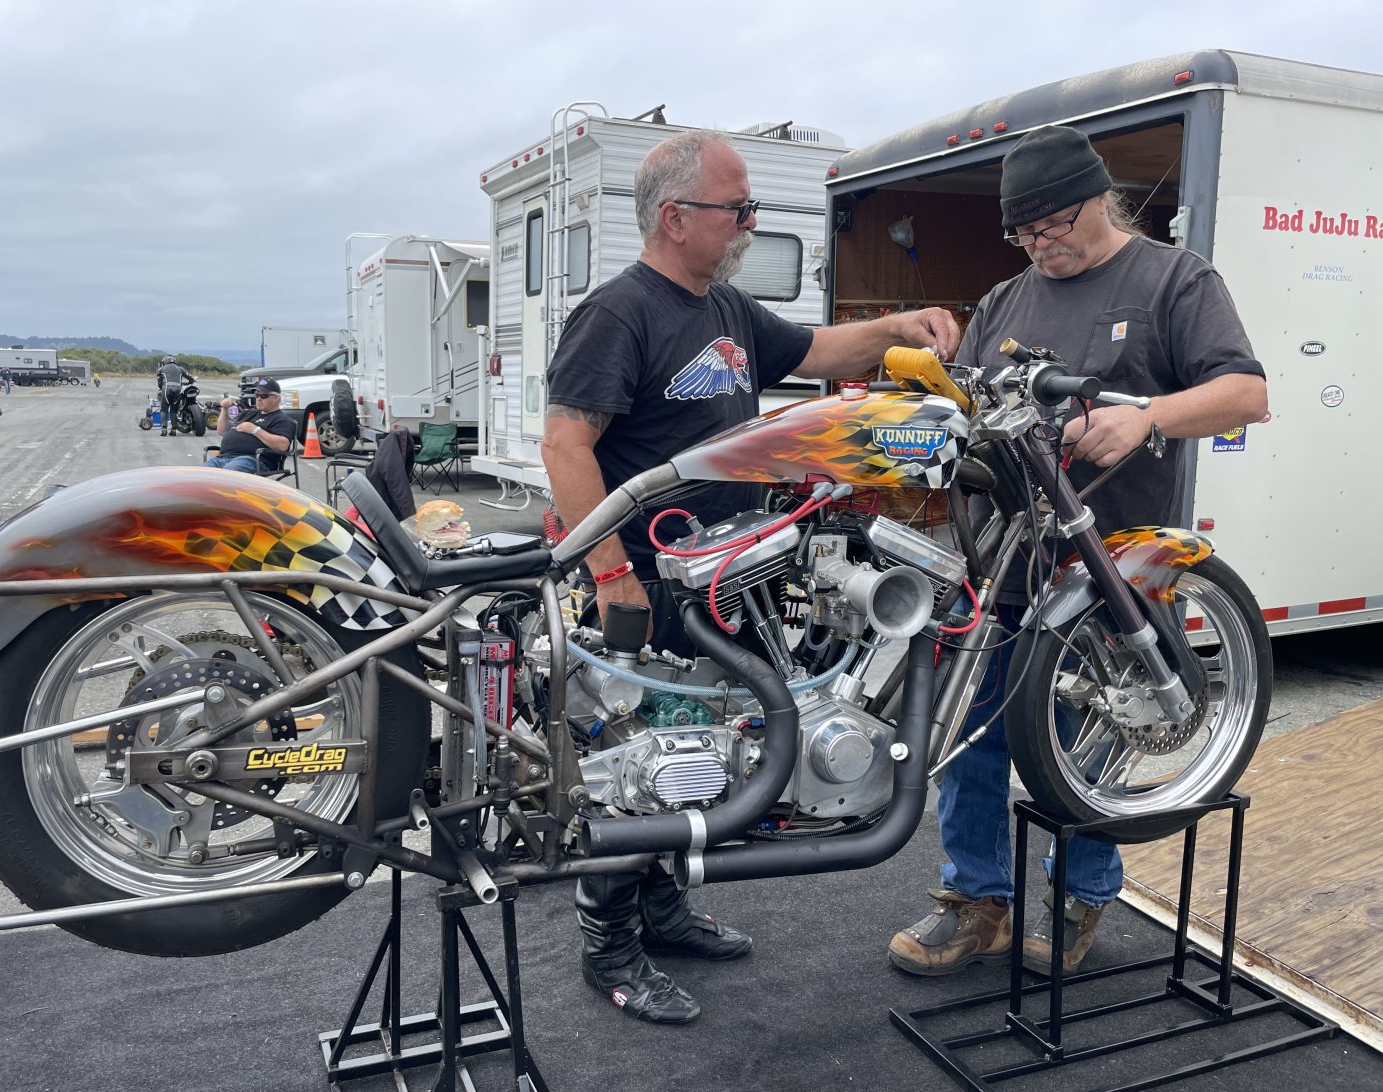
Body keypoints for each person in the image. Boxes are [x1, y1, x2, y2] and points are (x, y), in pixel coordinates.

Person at [540, 129, 959, 1024]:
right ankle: (609, 948)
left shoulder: (724, 308)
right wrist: (612, 572)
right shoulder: (619, 313)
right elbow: (565, 442)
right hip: (653, 581)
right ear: (675, 216)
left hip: (729, 577)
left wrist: (896, 329)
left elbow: (815, 350)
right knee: (636, 764)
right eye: (738, 208)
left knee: (700, 753)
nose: (750, 222)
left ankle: (665, 911)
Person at [887, 125, 1268, 979]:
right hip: (1001, 564)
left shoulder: (1175, 278)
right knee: (971, 738)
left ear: (1100, 197)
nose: (1040, 244)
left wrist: (1147, 417)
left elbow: (1246, 393)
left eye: (1054, 224)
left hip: (1115, 581)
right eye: (1023, 232)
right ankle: (976, 898)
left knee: (1086, 746)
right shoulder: (1005, 300)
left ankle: (1080, 893)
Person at [205, 377, 297, 473]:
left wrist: (255, 430)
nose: (259, 399)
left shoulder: (282, 419)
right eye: (257, 395)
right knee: (201, 475)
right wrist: (224, 409)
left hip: (253, 459)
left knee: (227, 474)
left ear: (276, 398)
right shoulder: (247, 413)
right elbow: (222, 431)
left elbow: (282, 445)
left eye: (264, 396)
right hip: (223, 457)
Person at [155, 354, 195, 437]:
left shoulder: (161, 369)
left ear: (165, 362)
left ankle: (164, 429)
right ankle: (173, 430)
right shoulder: (180, 369)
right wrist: (190, 382)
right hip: (177, 390)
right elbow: (191, 378)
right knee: (174, 410)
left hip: (166, 389)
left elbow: (159, 383)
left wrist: (161, 388)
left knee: (164, 409)